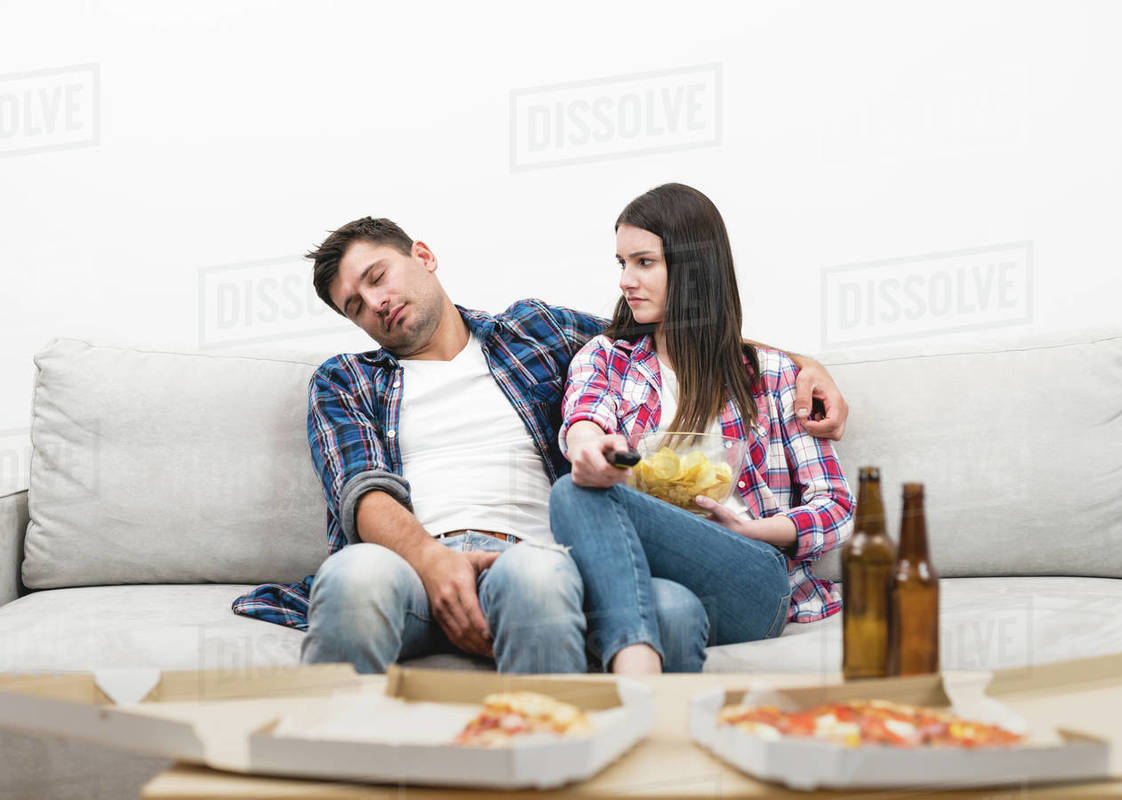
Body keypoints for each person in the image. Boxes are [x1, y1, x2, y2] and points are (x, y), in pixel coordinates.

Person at [231, 215, 850, 674]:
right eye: (355, 306)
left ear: (423, 254)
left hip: (538, 555)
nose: (376, 303)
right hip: (415, 566)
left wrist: (803, 363)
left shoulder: (536, 330)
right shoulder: (343, 380)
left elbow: (671, 334)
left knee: (553, 581)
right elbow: (360, 492)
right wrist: (433, 562)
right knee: (349, 578)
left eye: (377, 277)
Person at [549, 183, 855, 675]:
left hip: (752, 570)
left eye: (644, 262)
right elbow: (586, 415)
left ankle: (623, 690)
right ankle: (644, 698)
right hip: (651, 572)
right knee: (665, 605)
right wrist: (589, 448)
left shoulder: (773, 376)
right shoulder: (607, 358)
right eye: (621, 263)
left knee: (574, 495)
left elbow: (837, 506)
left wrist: (758, 530)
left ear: (693, 268)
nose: (626, 280)